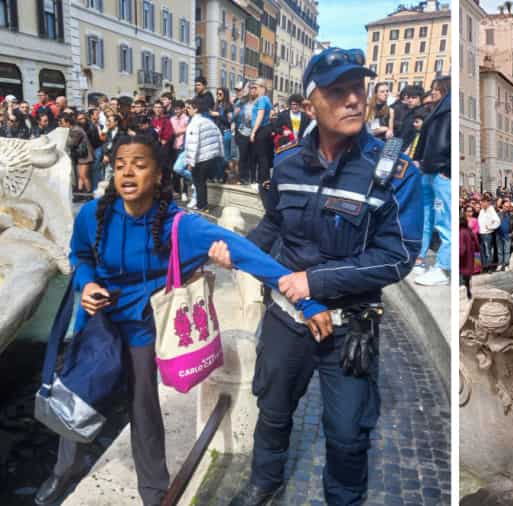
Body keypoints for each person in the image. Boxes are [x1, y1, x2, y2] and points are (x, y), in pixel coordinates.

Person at [34, 133, 323, 506]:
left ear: (158, 175)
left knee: (143, 407)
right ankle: (65, 469)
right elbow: (79, 256)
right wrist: (87, 283)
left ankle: (154, 491)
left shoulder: (180, 226)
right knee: (76, 393)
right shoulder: (93, 214)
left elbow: (247, 253)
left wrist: (304, 299)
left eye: (139, 165)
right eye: (120, 165)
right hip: (97, 322)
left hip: (141, 329)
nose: (127, 173)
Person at [215, 47, 422, 506]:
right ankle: (265, 482)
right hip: (286, 317)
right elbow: (274, 225)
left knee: (348, 434)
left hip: (349, 326)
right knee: (273, 410)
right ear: (310, 105)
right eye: (337, 91)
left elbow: (398, 256)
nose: (353, 100)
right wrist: (238, 252)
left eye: (358, 89)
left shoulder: (396, 173)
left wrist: (315, 283)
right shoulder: (287, 162)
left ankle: (343, 500)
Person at [413, 77, 451, 286]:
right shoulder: (436, 110)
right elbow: (427, 140)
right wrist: (419, 160)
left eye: (435, 89)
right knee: (425, 217)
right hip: (429, 170)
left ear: (444, 90)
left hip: (440, 171)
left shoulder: (448, 109)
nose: (432, 92)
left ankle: (443, 268)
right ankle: (419, 258)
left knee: (444, 221)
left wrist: (448, 169)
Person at [183, 98, 224, 212]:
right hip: (210, 157)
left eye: (189, 108)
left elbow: (192, 144)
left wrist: (190, 162)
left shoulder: (194, 124)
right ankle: (203, 205)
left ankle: (201, 206)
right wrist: (219, 153)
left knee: (199, 182)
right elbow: (218, 136)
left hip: (200, 158)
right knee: (202, 182)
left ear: (196, 109)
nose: (187, 110)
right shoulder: (208, 121)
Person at [60, 113, 94, 196]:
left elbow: (72, 143)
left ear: (68, 122)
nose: (62, 125)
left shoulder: (76, 130)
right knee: (80, 176)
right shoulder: (73, 129)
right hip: (80, 156)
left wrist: (63, 137)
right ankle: (80, 193)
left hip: (85, 156)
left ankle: (89, 194)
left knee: (84, 176)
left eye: (62, 123)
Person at [459, 214, 479, 298]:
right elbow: (477, 246)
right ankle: (468, 294)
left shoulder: (460, 233)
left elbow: (461, 250)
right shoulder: (470, 231)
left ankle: (465, 296)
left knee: (462, 282)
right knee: (467, 280)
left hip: (463, 263)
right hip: (470, 261)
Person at [478, 196, 500, 270]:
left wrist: (490, 227)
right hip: (481, 233)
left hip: (487, 234)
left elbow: (497, 221)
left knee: (488, 251)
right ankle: (485, 266)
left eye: (484, 202)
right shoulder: (481, 211)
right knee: (482, 251)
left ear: (488, 202)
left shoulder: (491, 210)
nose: (483, 203)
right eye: (482, 202)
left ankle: (489, 267)